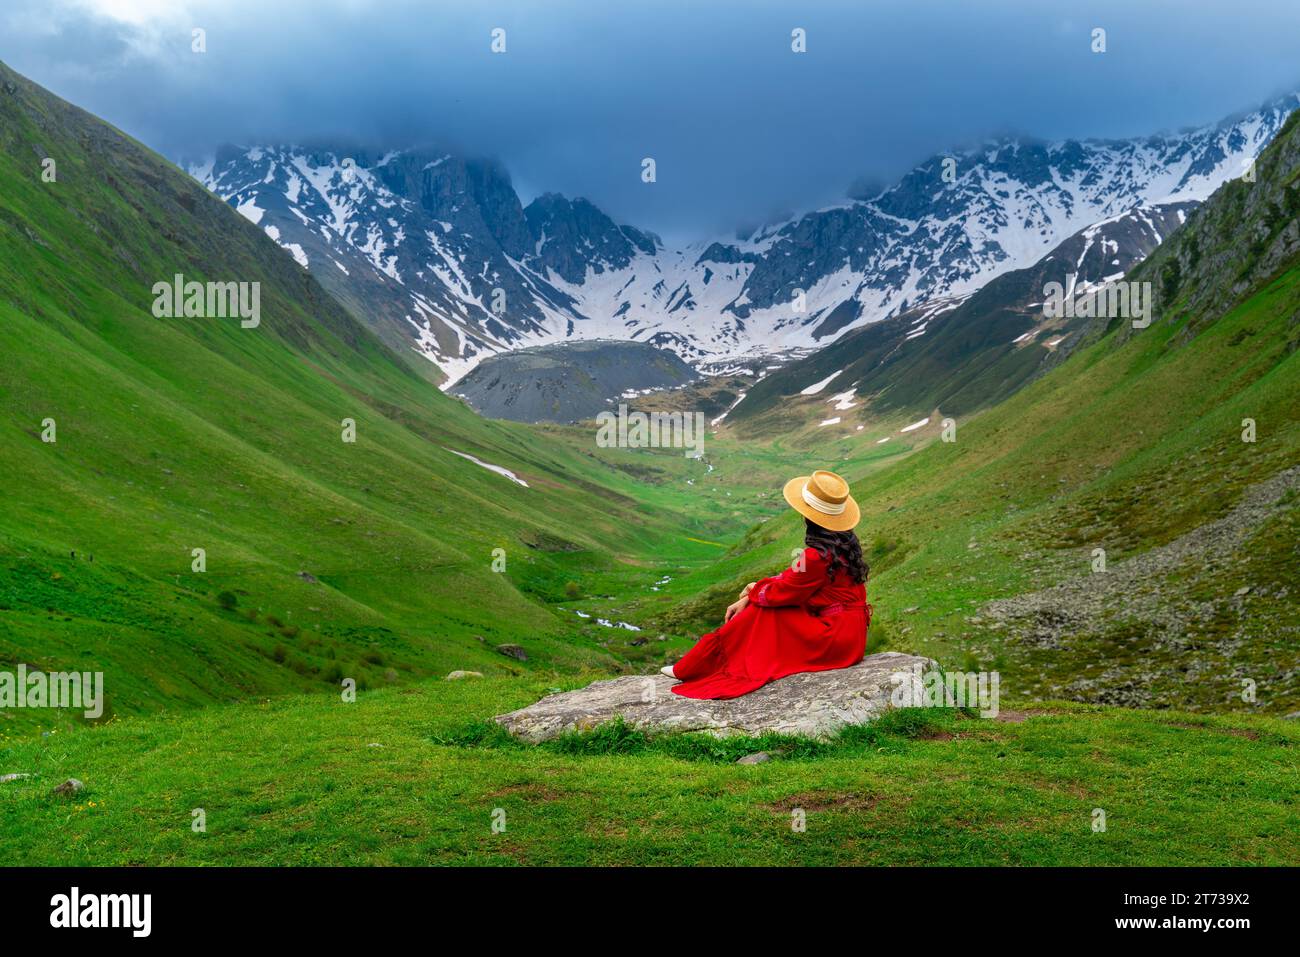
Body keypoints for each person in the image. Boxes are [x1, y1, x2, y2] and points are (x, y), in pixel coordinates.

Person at [663, 469, 871, 699]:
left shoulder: (815, 556)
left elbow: (782, 592)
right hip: (851, 636)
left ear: (809, 515)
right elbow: (794, 578)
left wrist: (752, 591)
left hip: (833, 639)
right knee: (766, 604)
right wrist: (754, 590)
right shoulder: (842, 545)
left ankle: (698, 665)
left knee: (766, 610)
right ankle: (699, 663)